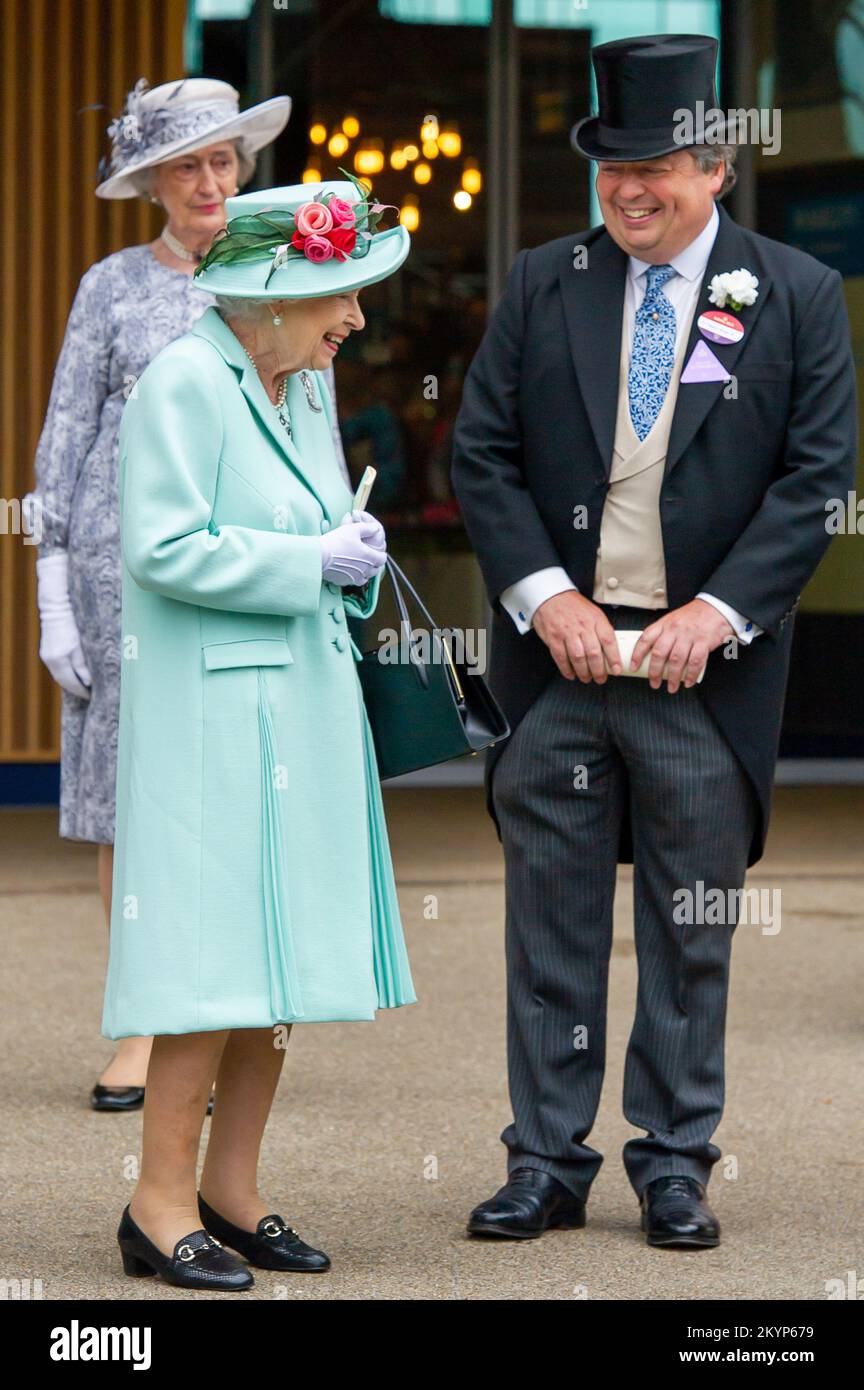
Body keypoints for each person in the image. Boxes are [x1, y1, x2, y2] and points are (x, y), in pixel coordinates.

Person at [451, 33, 857, 1248]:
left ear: (718, 166)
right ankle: (547, 1160)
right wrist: (544, 595)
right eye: (613, 163)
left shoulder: (794, 292)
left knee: (692, 927)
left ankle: (674, 1161)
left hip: (702, 675)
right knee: (551, 926)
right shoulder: (541, 280)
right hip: (557, 668)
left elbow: (815, 478)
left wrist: (715, 614)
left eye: (661, 164)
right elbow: (482, 455)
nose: (632, 187)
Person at [104, 178, 416, 1290]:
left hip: (304, 709)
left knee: (278, 972)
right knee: (211, 970)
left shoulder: (303, 385)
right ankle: (156, 1205)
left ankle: (231, 1193)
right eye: (340, 293)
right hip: (215, 721)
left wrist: (354, 550)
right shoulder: (184, 381)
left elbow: (312, 522)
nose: (357, 320)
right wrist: (305, 563)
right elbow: (163, 547)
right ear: (268, 296)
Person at [26, 78, 347, 1110]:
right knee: (140, 799)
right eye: (185, 165)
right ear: (151, 182)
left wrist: (337, 536)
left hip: (257, 558)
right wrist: (52, 591)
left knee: (247, 789)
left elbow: (316, 416)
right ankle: (144, 1026)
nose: (209, 182)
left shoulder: (282, 275)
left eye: (222, 160)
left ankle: (233, 1015)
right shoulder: (111, 286)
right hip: (132, 577)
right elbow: (67, 433)